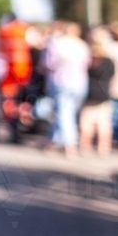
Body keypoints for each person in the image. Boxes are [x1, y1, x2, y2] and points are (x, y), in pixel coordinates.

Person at [45, 22, 90, 157]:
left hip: (61, 82)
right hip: (80, 83)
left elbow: (48, 63)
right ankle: (55, 139)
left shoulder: (57, 44)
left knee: (64, 114)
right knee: (68, 113)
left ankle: (70, 144)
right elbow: (87, 63)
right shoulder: (82, 45)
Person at [0, 14, 32, 143]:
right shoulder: (26, 29)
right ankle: (17, 131)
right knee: (21, 103)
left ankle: (11, 128)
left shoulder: (3, 31)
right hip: (24, 74)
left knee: (8, 103)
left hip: (8, 75)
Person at [79, 32, 115, 155]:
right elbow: (111, 76)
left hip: (89, 93)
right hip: (103, 94)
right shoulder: (108, 61)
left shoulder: (88, 59)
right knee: (103, 123)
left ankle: (85, 146)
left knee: (86, 122)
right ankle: (104, 148)